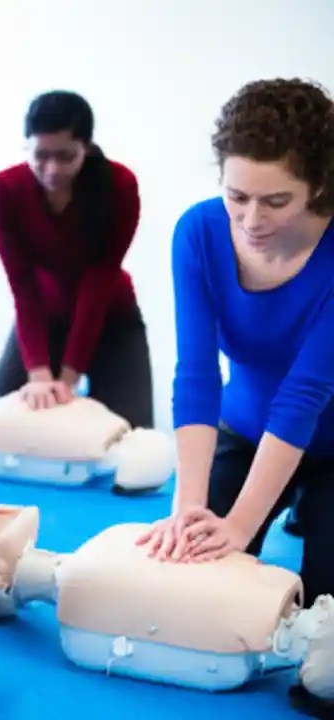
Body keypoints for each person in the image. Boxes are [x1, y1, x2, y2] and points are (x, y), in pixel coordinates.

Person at [137, 79, 334, 594]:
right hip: (245, 428)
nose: (251, 219)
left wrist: (243, 526)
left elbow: (305, 394)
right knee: (191, 567)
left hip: (327, 434)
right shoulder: (199, 232)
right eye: (237, 195)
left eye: (275, 200)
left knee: (325, 605)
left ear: (317, 185)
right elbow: (198, 374)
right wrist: (189, 507)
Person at [0, 90, 153, 429]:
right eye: (41, 155)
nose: (52, 169)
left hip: (112, 320)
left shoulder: (119, 186)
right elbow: (22, 285)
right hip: (42, 317)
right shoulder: (5, 190)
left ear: (86, 149)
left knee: (134, 439)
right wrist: (39, 372)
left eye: (65, 156)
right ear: (26, 147)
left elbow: (99, 281)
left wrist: (69, 376)